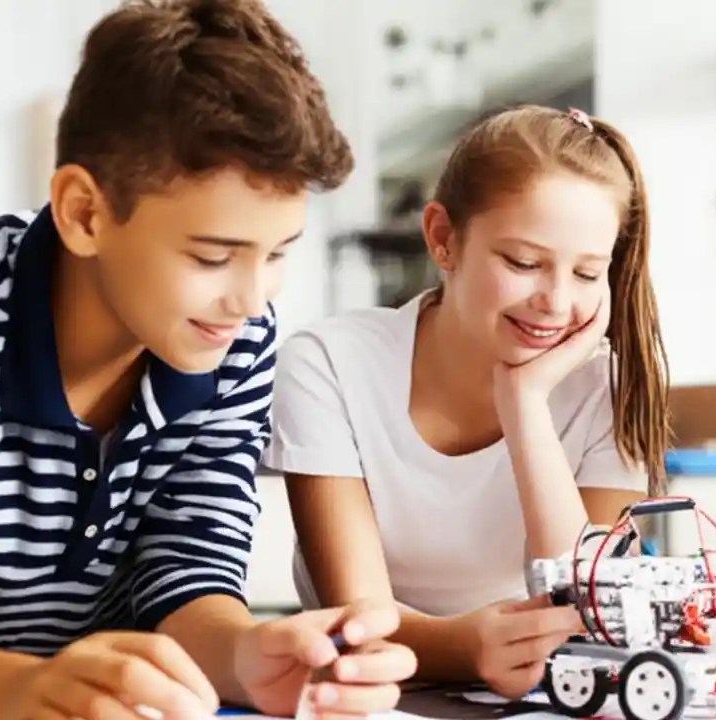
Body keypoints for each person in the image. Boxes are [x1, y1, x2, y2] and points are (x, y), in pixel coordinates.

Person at [0, 2, 416, 720]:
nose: (252, 300)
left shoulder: (234, 340)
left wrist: (250, 660)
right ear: (84, 213)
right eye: (213, 256)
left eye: (279, 253)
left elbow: (188, 573)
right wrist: (26, 691)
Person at [264, 105, 670, 699]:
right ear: (443, 239)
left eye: (587, 274)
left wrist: (525, 403)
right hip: (371, 696)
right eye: (524, 263)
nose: (555, 303)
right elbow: (358, 618)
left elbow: (584, 610)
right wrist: (465, 649)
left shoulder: (609, 389)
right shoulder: (329, 363)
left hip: (546, 698)